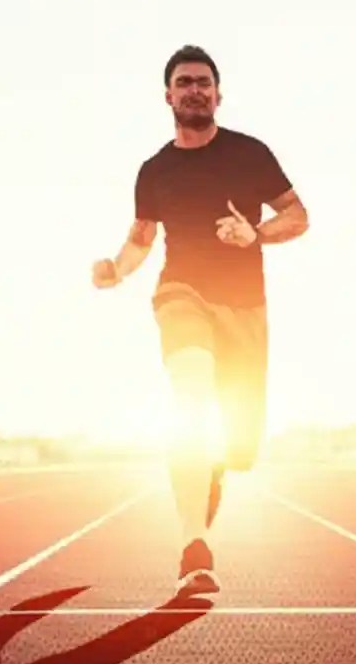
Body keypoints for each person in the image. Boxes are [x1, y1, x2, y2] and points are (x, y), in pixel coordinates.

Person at [91, 45, 309, 597]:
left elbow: (298, 216)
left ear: (218, 93)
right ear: (168, 95)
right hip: (181, 294)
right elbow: (142, 239)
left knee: (240, 449)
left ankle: (212, 469)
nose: (195, 90)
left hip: (245, 308)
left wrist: (256, 234)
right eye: (184, 82)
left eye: (204, 82)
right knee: (190, 398)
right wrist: (116, 270)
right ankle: (194, 546)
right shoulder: (155, 171)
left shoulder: (251, 154)